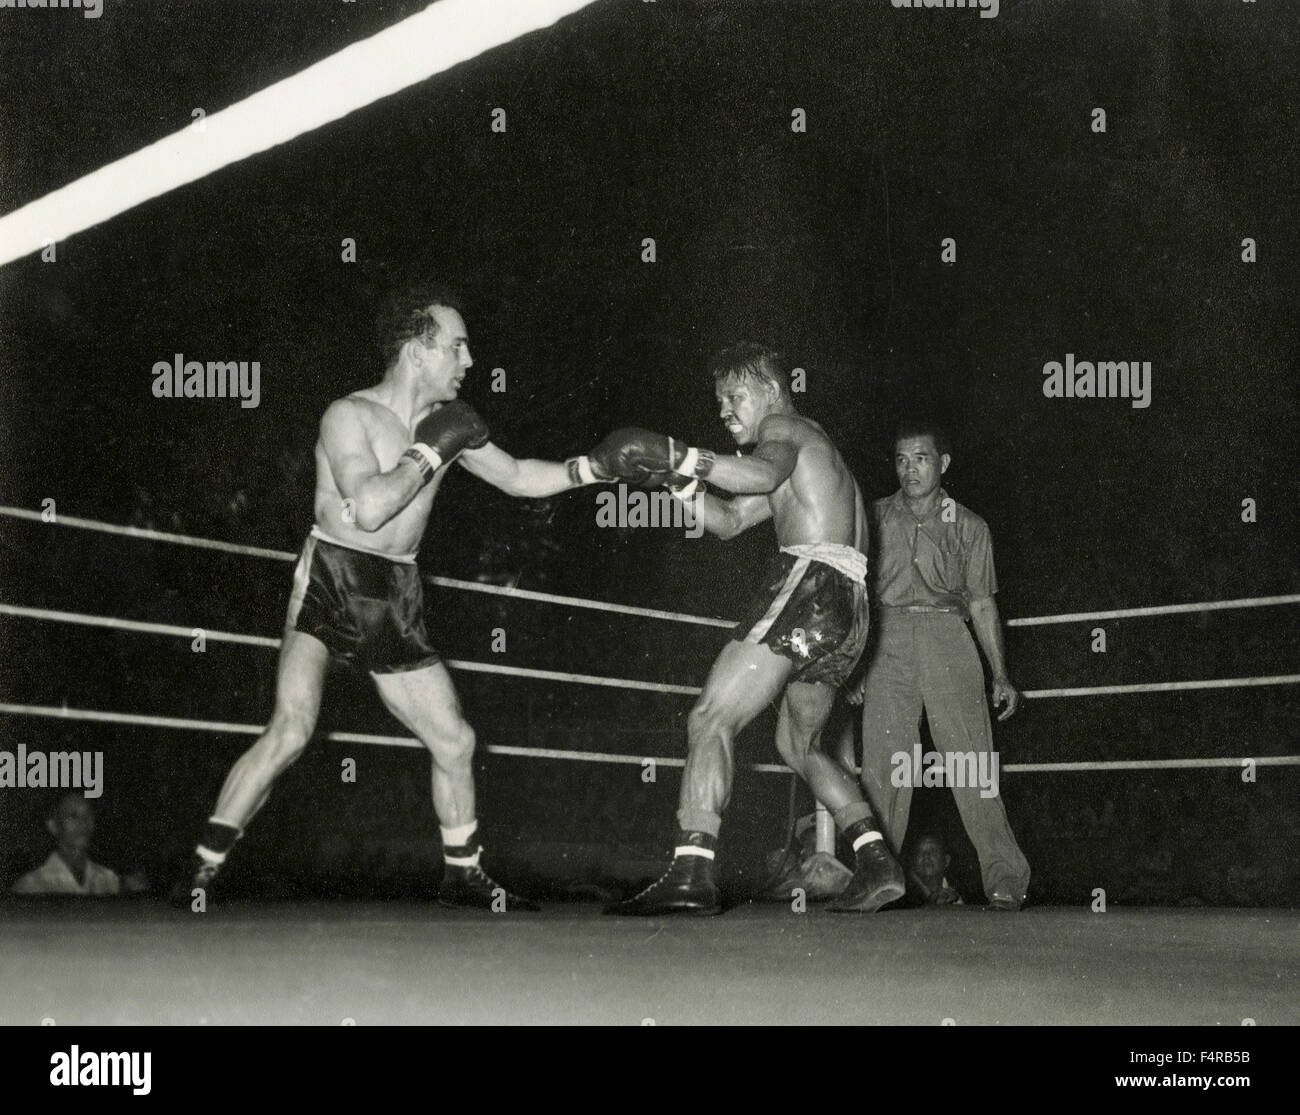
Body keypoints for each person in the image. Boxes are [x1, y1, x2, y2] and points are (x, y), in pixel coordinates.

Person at [171, 286, 599, 911]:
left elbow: (516, 477)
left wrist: (597, 470)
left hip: (396, 590)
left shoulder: (449, 426)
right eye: (456, 346)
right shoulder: (348, 416)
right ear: (416, 351)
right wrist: (431, 449)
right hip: (333, 577)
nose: (470, 360)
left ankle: (462, 873)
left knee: (455, 740)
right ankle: (203, 866)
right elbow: (368, 508)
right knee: (293, 726)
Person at [573, 342, 905, 915]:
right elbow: (728, 520)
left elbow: (757, 471)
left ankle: (691, 873)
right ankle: (877, 862)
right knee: (796, 743)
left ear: (773, 390)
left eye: (736, 395)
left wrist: (680, 456)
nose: (725, 410)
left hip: (811, 583)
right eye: (720, 400)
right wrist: (678, 485)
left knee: (710, 717)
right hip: (849, 608)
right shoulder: (818, 454)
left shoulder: (785, 428)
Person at [848, 422, 1030, 911]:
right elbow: (856, 596)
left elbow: (984, 604)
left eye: (921, 459)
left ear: (943, 463)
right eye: (902, 460)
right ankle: (875, 877)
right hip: (885, 639)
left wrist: (1000, 673)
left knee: (972, 763)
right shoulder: (873, 517)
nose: (910, 469)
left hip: (949, 637)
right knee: (883, 767)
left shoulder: (970, 525)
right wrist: (855, 662)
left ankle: (1005, 878)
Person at [12, 792, 148, 897]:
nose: (83, 823)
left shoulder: (109, 881)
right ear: (53, 826)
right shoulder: (30, 886)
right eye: (73, 816)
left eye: (88, 815)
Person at [904, 832, 963, 906]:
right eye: (920, 852)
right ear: (912, 861)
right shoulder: (901, 896)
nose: (926, 856)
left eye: (933, 851)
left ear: (946, 860)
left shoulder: (957, 896)